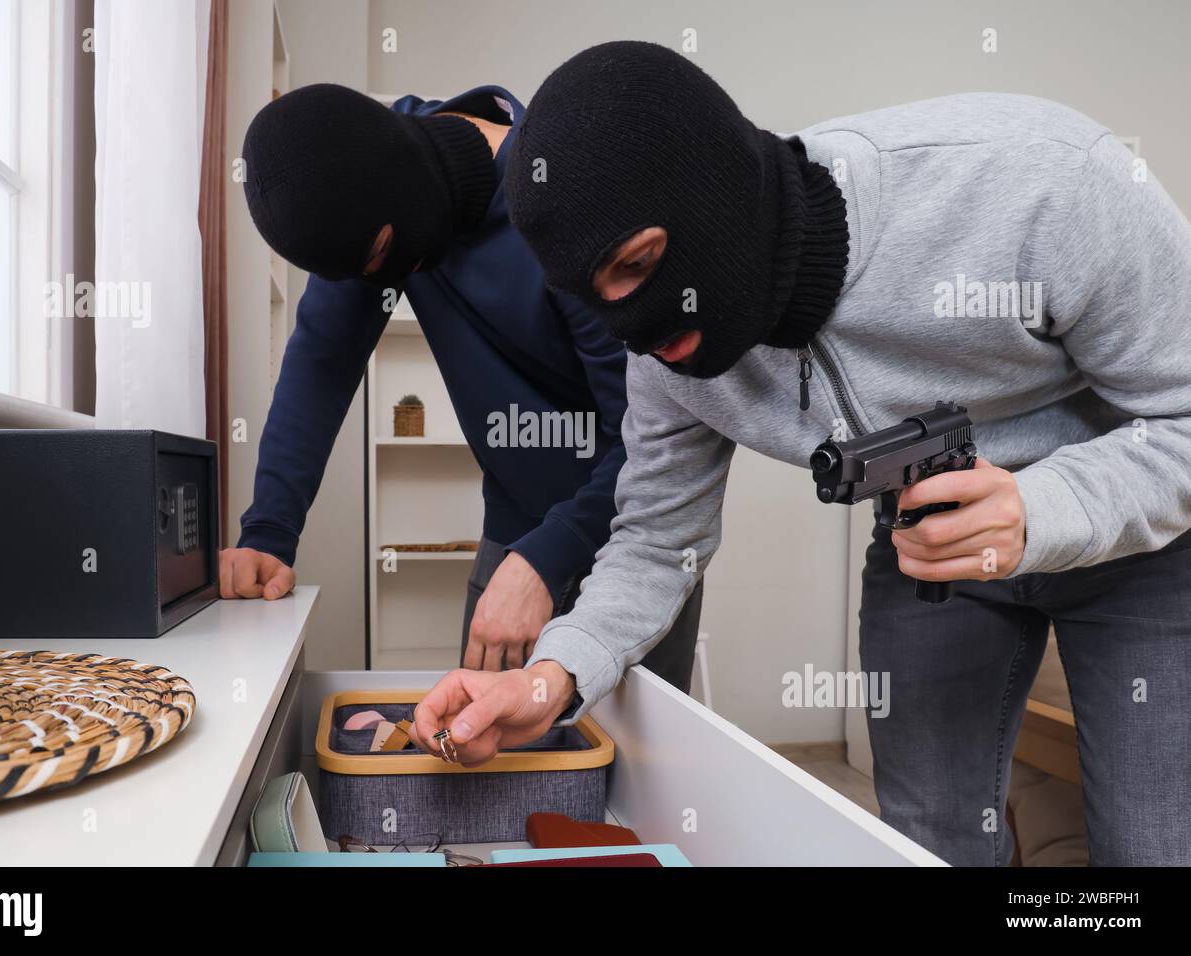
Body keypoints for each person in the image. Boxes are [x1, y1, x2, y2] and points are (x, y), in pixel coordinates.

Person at [411, 41, 1191, 866]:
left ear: (713, 193)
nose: (632, 328)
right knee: (927, 848)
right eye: (589, 294)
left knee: (1153, 850)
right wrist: (549, 678)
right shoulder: (657, 354)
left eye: (637, 266)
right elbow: (653, 542)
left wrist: (1040, 509)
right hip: (928, 551)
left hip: (1142, 542)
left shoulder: (1047, 182)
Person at [222, 82, 701, 688]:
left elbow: (654, 446)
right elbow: (320, 365)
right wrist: (268, 530)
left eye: (383, 258)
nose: (384, 283)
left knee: (638, 776)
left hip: (634, 543)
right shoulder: (361, 183)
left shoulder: (570, 205)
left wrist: (548, 558)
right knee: (477, 758)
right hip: (512, 532)